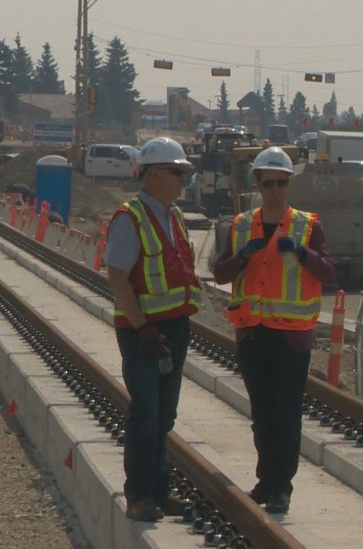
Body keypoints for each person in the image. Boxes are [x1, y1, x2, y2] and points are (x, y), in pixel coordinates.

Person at [213, 147, 335, 514]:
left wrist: (302, 253)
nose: (276, 190)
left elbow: (329, 273)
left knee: (286, 414)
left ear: (289, 184)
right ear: (258, 184)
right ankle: (266, 481)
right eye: (269, 183)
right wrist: (242, 257)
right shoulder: (240, 226)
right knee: (263, 415)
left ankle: (281, 487)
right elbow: (220, 273)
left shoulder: (307, 226)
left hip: (292, 337)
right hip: (253, 334)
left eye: (282, 182)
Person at [105, 137, 202, 522]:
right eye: (177, 172)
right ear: (154, 174)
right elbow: (117, 278)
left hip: (173, 327)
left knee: (164, 414)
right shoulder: (130, 218)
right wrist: (142, 327)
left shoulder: (172, 216)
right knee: (145, 413)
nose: (183, 180)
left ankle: (160, 490)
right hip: (143, 333)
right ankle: (139, 495)